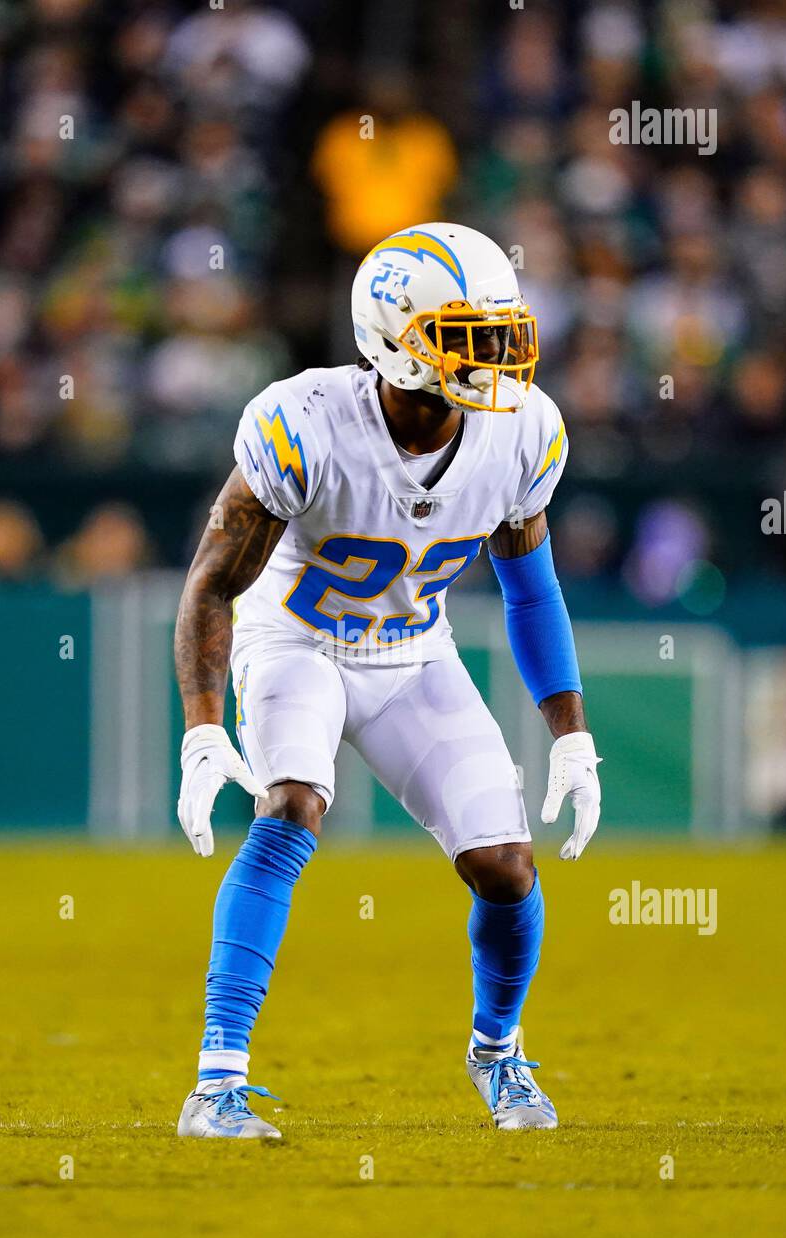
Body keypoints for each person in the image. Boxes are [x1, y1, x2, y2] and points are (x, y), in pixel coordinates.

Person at [173, 223, 602, 1139]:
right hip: (296, 640)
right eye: (465, 335)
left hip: (414, 654)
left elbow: (532, 593)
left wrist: (573, 733)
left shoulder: (525, 433)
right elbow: (213, 583)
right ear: (391, 340)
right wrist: (204, 723)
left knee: (507, 867)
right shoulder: (306, 421)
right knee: (290, 807)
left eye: (501, 332)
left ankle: (498, 1053)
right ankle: (215, 1083)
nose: (494, 356)